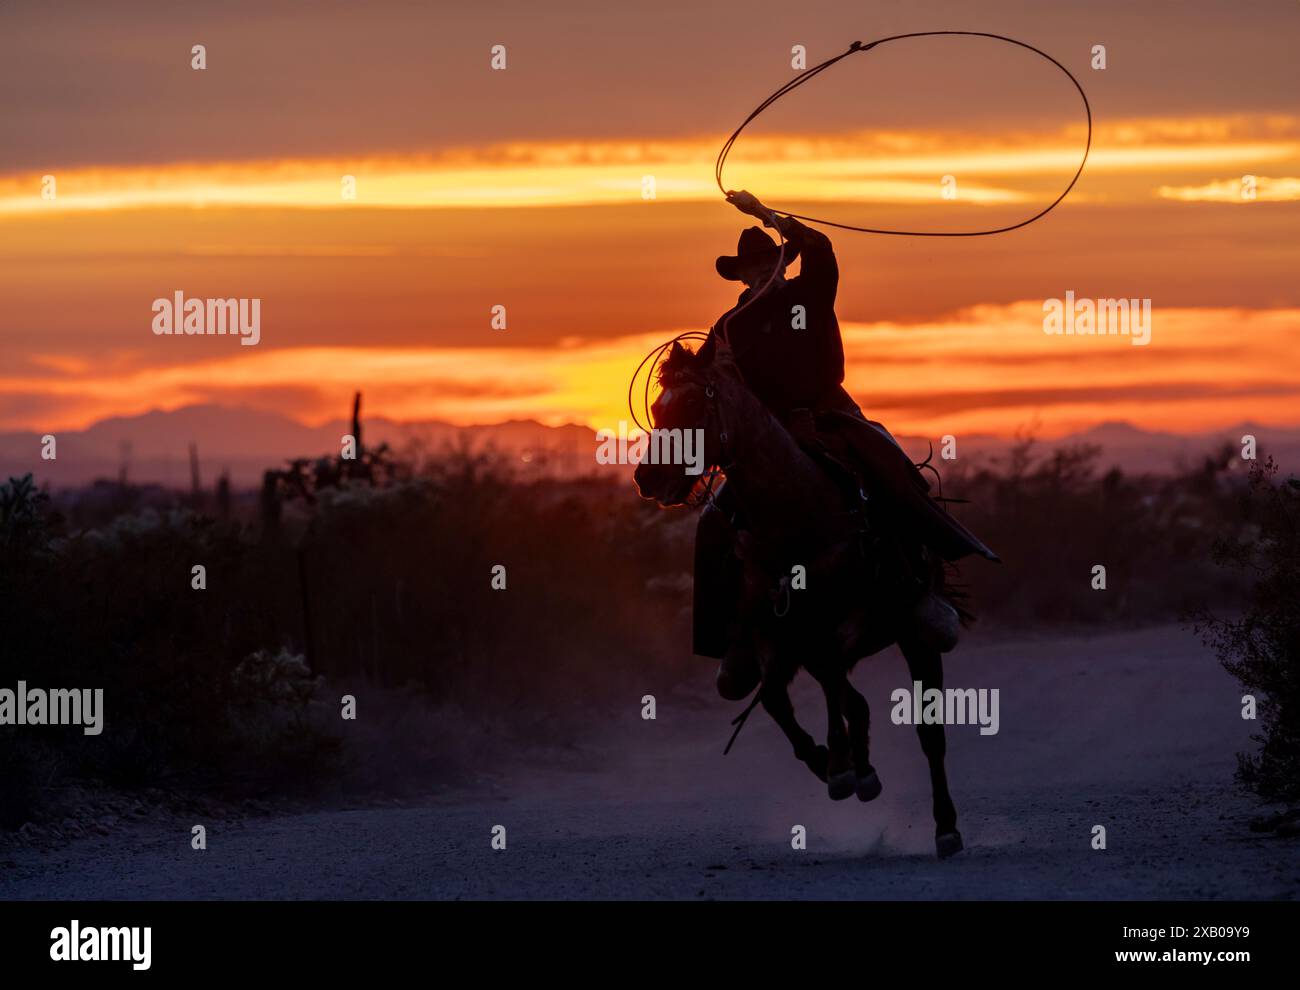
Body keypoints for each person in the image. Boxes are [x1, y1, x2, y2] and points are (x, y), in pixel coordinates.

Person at [696, 190, 998, 700]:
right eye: (753, 265)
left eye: (770, 258)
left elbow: (822, 248)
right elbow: (707, 382)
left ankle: (918, 589)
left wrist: (766, 216)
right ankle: (731, 639)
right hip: (766, 442)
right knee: (712, 524)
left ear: (781, 262)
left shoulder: (809, 293)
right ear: (741, 274)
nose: (762, 269)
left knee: (893, 472)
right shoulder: (729, 327)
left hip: (829, 415)